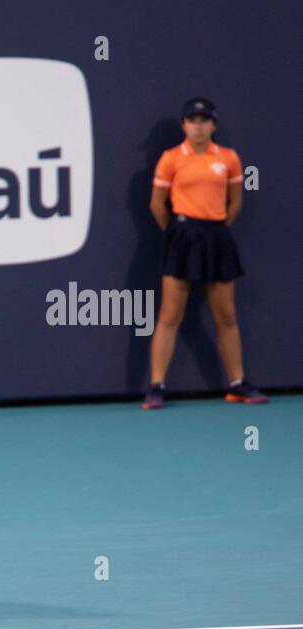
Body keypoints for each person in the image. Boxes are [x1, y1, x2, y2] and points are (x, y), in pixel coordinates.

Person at [144, 97, 267, 409]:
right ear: (184, 125)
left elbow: (236, 200)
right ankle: (156, 387)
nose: (198, 126)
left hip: (217, 237)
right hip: (182, 236)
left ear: (213, 125)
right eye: (192, 120)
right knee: (170, 315)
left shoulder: (228, 158)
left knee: (226, 315)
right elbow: (157, 205)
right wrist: (175, 233)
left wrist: (218, 227)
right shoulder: (171, 158)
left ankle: (238, 383)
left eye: (204, 120)